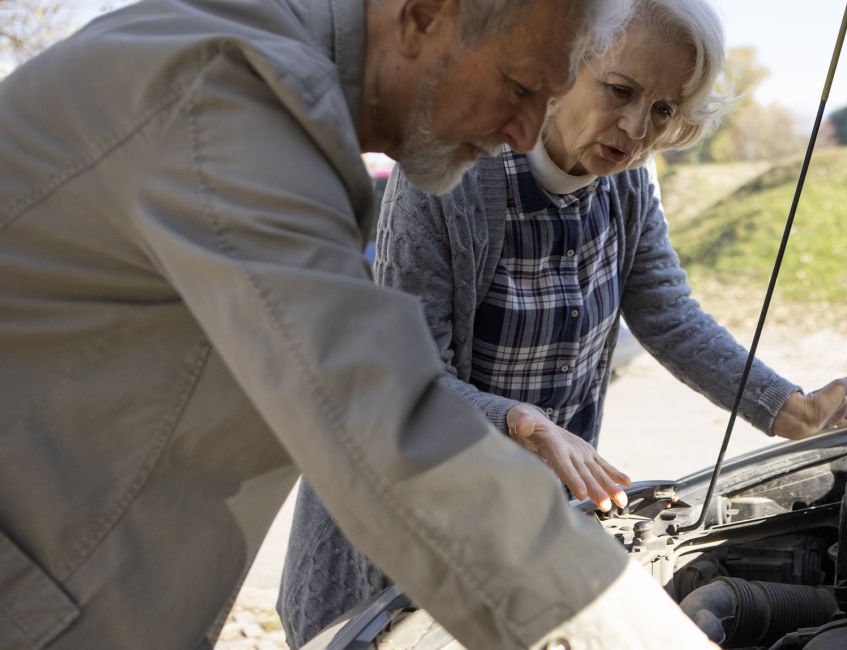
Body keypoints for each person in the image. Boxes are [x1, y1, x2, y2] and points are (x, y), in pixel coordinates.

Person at [0, 0, 723, 648]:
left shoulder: (268, 74)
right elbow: (382, 428)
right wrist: (634, 633)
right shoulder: (231, 98)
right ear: (426, 16)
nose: (525, 131)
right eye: (522, 88)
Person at [279, 0, 847, 643]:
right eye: (620, 90)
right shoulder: (448, 175)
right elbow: (405, 381)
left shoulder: (629, 186)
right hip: (397, 527)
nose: (635, 126)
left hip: (516, 528)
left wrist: (787, 408)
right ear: (566, 61)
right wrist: (518, 423)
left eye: (663, 110)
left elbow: (671, 318)